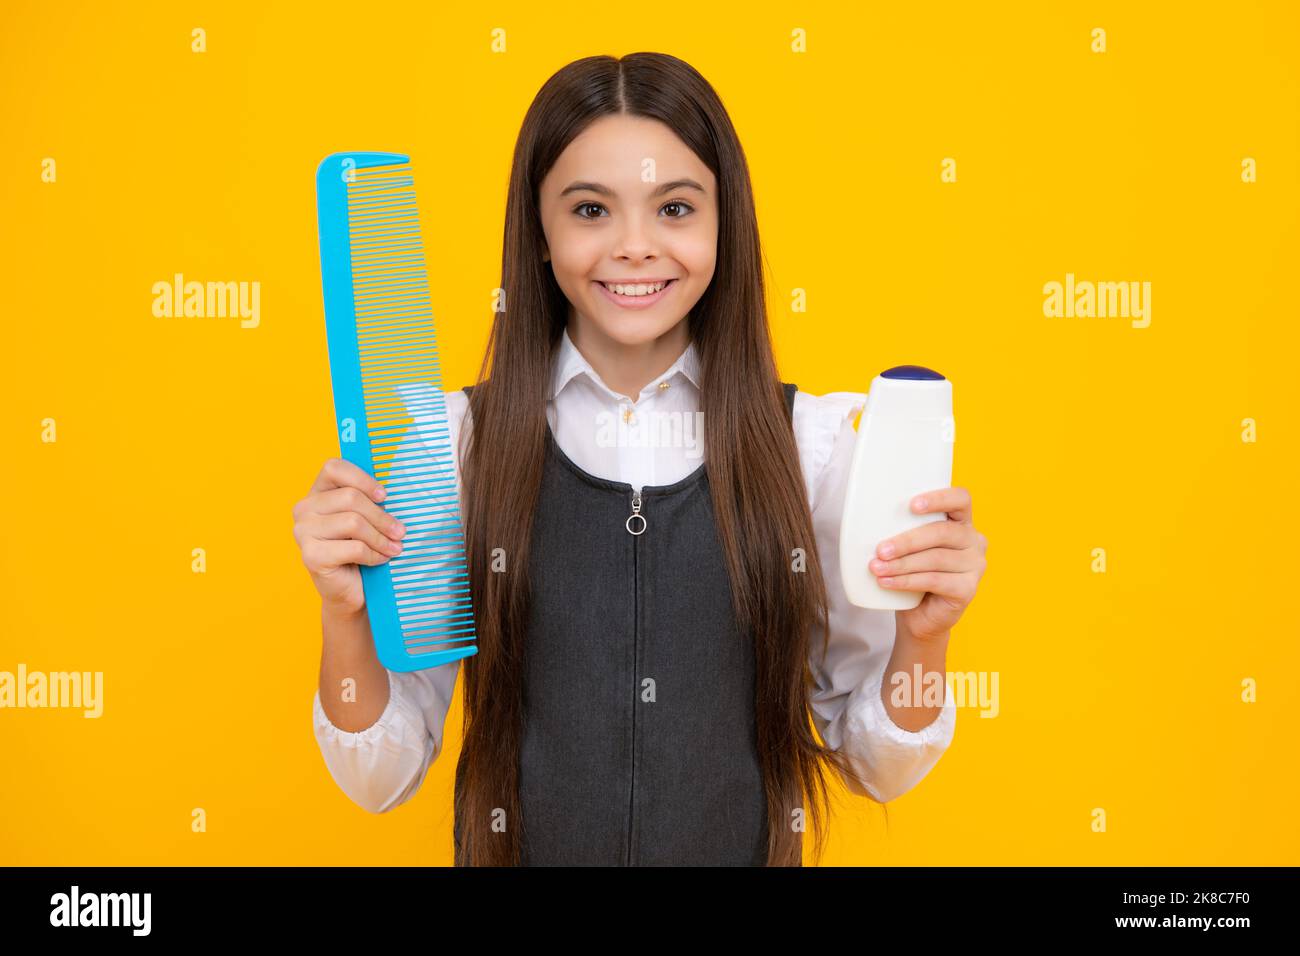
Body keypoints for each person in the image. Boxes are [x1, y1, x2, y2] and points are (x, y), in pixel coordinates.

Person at [292, 52, 988, 866]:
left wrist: (924, 640)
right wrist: (344, 613)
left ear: (724, 226)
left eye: (675, 208)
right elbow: (380, 773)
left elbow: (880, 764)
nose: (633, 246)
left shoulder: (811, 446)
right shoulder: (457, 448)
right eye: (590, 209)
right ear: (539, 234)